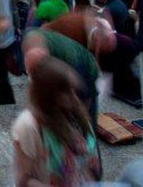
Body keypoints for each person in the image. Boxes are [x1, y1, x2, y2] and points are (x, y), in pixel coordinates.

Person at [11, 55, 99, 187]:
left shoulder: (73, 112)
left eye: (73, 89)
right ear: (48, 94)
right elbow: (22, 180)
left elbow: (89, 162)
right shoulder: (28, 125)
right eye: (66, 92)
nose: (73, 97)